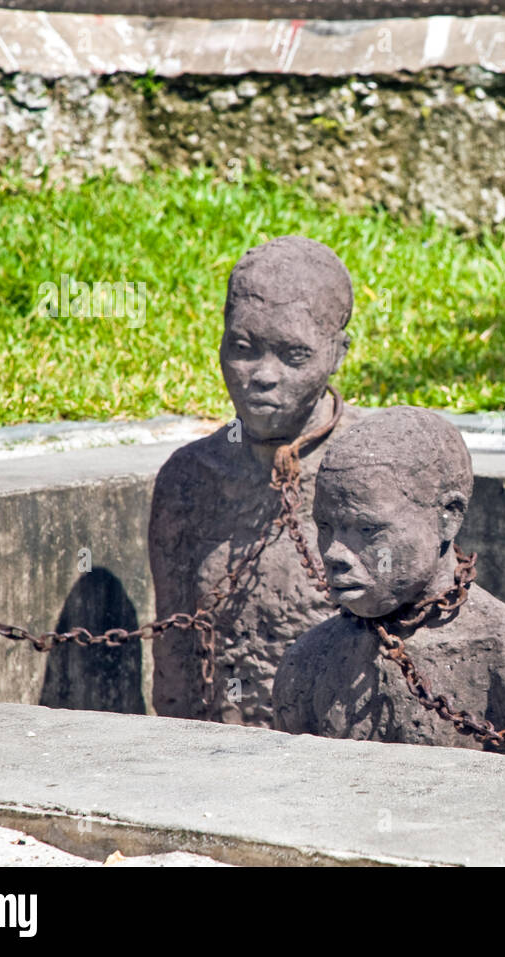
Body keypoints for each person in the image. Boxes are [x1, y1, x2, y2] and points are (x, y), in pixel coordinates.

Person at [273, 406, 505, 763]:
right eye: (325, 527)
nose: (333, 553)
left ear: (448, 517)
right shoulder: (307, 664)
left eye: (367, 530)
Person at [149, 236, 361, 725]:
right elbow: (174, 669)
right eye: (243, 348)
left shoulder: (376, 467)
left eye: (294, 355)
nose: (263, 376)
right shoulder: (189, 480)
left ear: (337, 353)